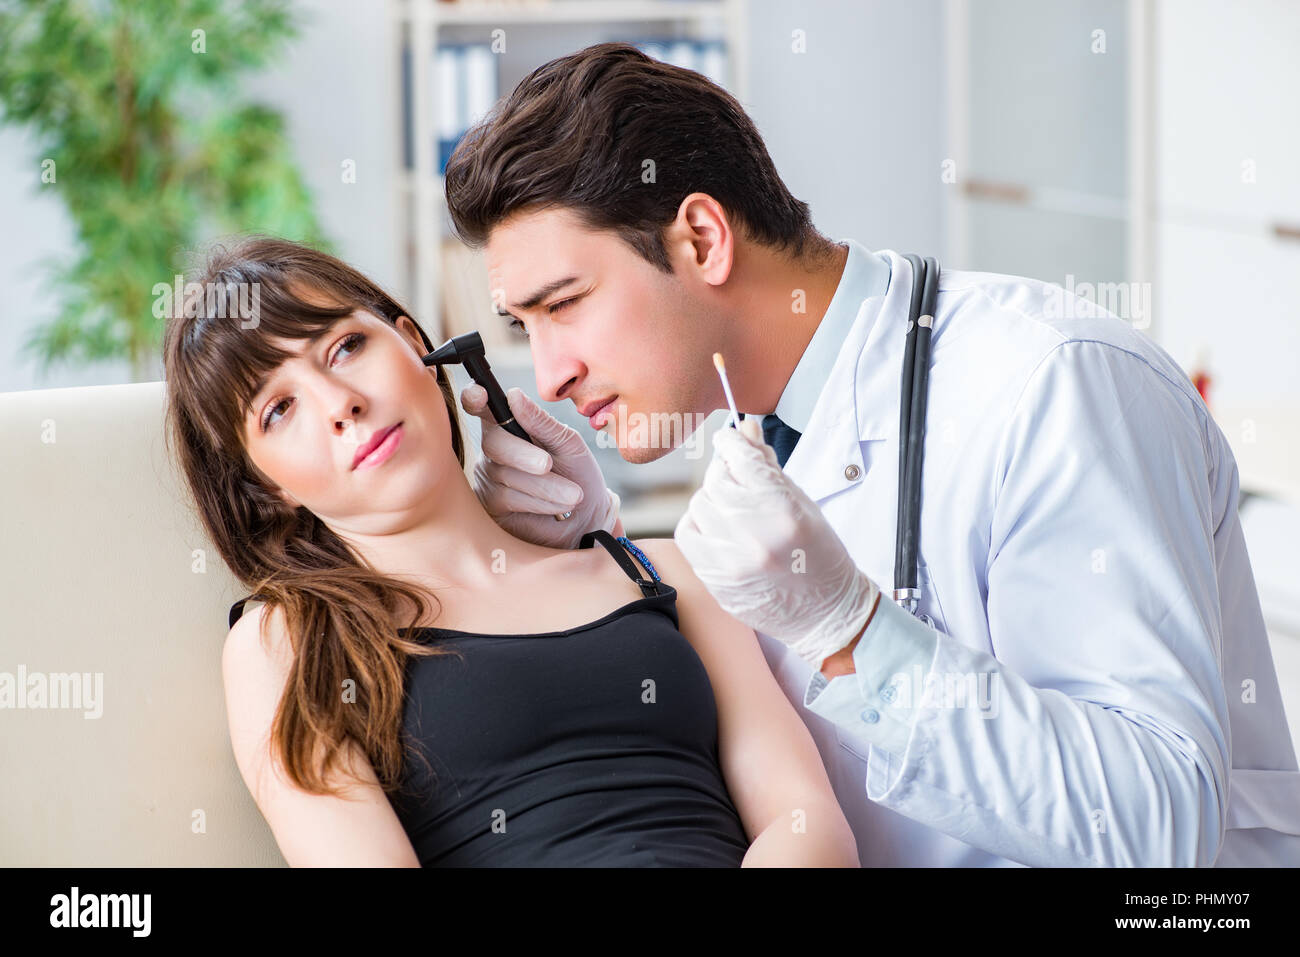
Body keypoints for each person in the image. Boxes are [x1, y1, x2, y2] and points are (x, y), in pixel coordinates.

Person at [443, 42, 1300, 866]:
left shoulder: (1053, 383)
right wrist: (609, 550)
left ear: (701, 238)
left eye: (564, 305)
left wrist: (851, 629)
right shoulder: (763, 428)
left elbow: (1160, 825)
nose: (550, 375)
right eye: (526, 327)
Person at [161, 236, 859, 867]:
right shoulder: (288, 643)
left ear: (414, 343)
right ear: (266, 487)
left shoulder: (663, 568)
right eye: (279, 409)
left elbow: (809, 823)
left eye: (345, 348)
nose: (339, 402)